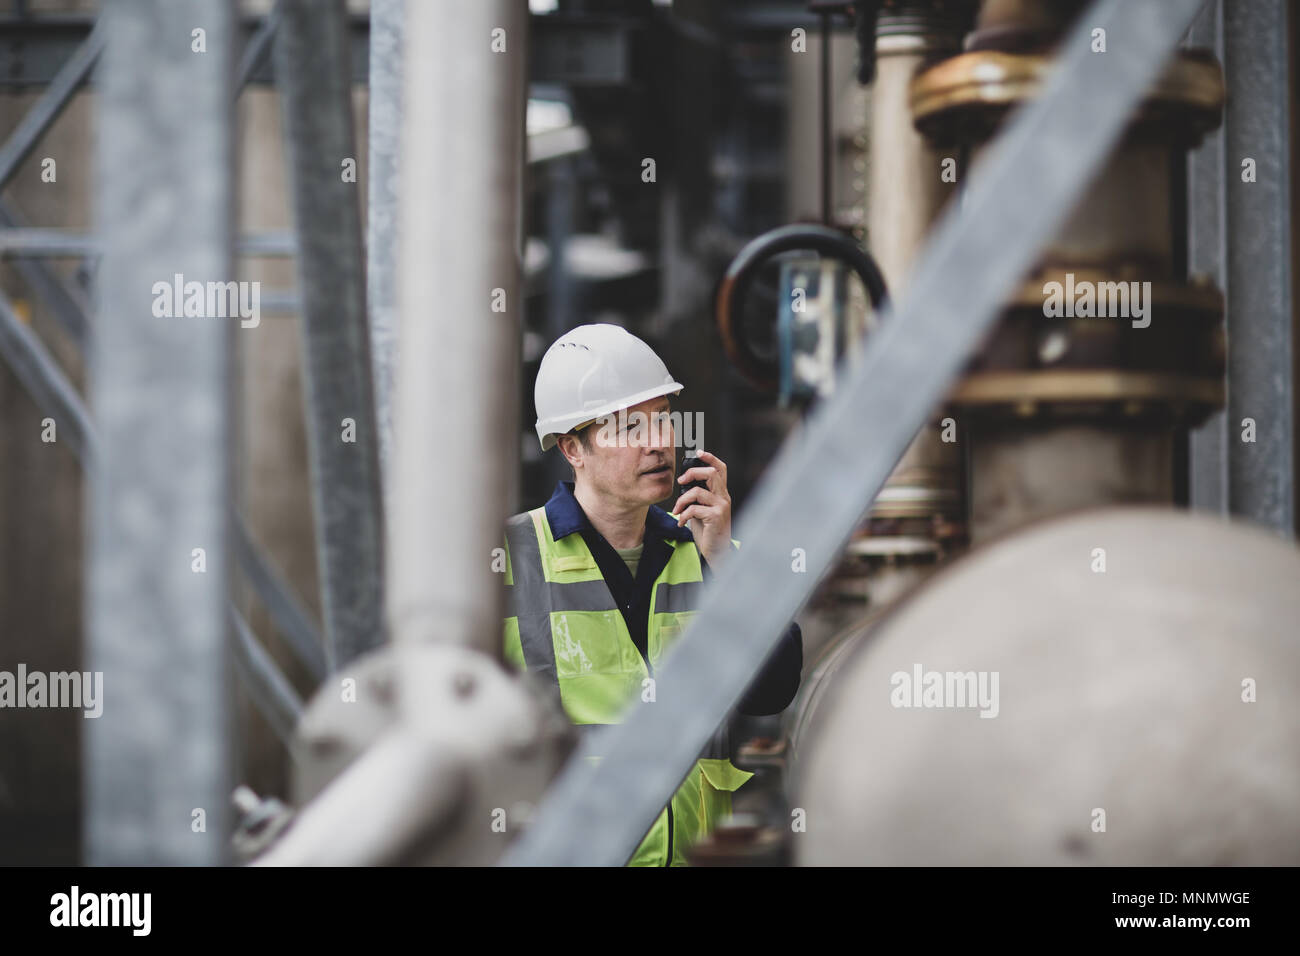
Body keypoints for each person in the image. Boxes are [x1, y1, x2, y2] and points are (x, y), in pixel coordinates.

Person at [502, 323, 802, 866]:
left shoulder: (710, 551)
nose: (658, 442)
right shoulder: (508, 562)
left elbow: (773, 691)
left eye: (662, 419)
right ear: (572, 448)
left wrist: (724, 562)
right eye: (628, 427)